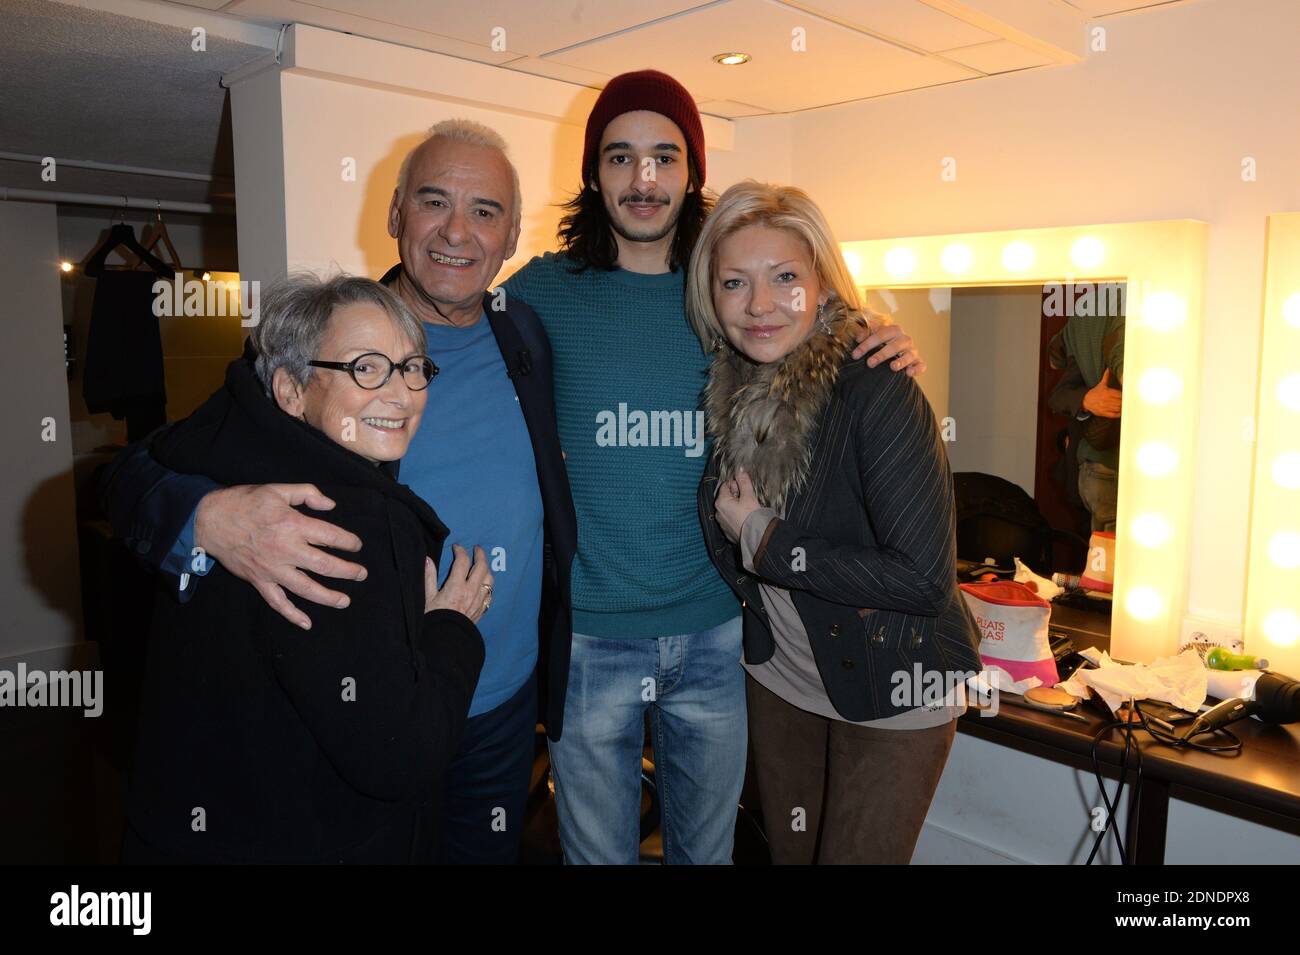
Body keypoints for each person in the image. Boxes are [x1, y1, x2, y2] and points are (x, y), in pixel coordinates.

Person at [99, 119, 576, 865]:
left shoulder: (527, 340)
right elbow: (130, 476)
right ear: (395, 216)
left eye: (485, 211)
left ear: (511, 236)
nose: (458, 230)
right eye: (433, 201)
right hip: (375, 717)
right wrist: (204, 517)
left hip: (504, 705)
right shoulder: (324, 343)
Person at [498, 70, 926, 864]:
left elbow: (817, 328)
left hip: (718, 630)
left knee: (709, 855)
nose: (644, 179)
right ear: (594, 173)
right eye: (621, 157)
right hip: (591, 637)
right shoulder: (542, 294)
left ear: (693, 171)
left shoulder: (728, 294)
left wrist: (880, 335)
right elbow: (440, 329)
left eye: (665, 156)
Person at [122, 274, 489, 863]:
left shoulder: (210, 447)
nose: (401, 394)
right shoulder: (344, 520)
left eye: (413, 366)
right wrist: (453, 626)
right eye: (366, 367)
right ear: (291, 390)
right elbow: (398, 755)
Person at [690, 181, 984, 864]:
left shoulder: (876, 386)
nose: (760, 304)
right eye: (735, 282)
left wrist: (764, 537)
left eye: (785, 277)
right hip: (783, 679)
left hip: (891, 685)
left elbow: (922, 579)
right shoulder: (729, 383)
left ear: (824, 286)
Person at [1047, 302, 1124, 532]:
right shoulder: (1104, 311)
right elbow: (1056, 364)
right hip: (1104, 466)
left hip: (1104, 467)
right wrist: (1087, 399)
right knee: (1109, 560)